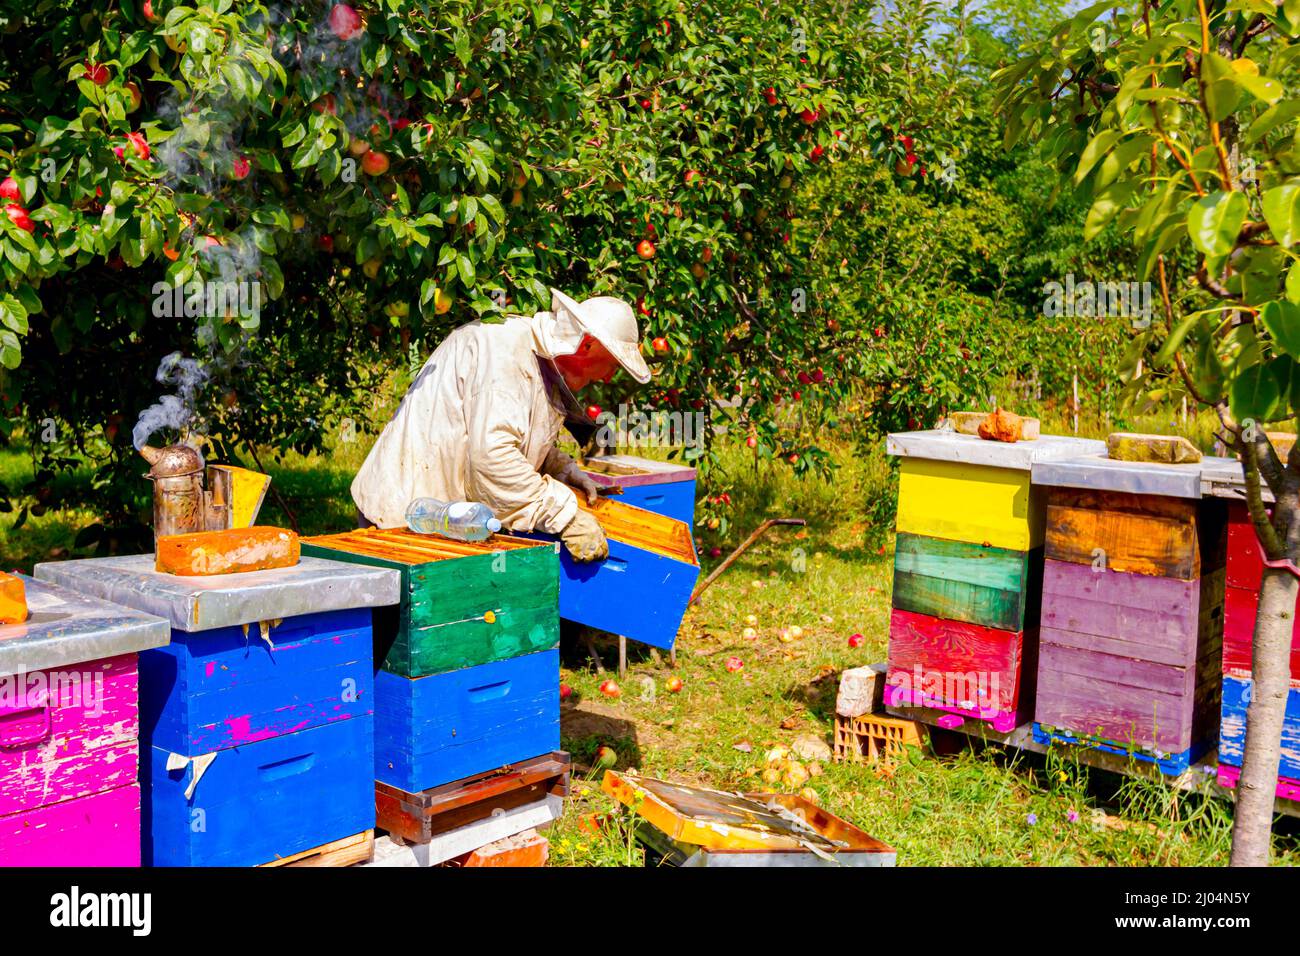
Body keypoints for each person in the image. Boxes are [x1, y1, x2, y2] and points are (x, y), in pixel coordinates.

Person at [350, 289, 650, 562]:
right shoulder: (505, 353)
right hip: (406, 514)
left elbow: (518, 433)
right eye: (612, 364)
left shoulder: (537, 360)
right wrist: (565, 516)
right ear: (586, 344)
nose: (609, 378)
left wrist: (562, 470)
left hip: (445, 518)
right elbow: (492, 460)